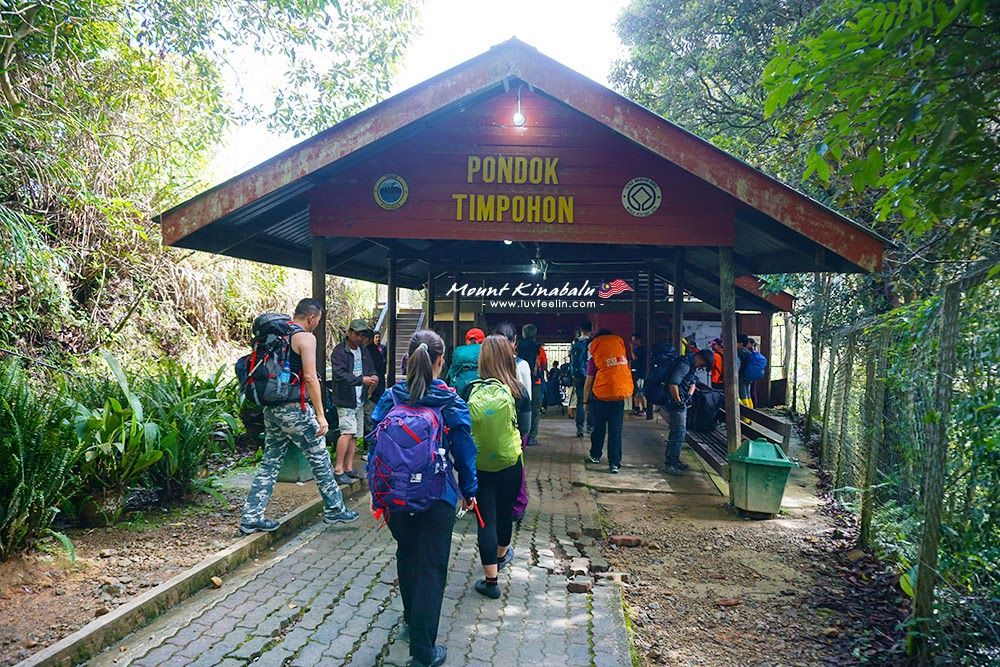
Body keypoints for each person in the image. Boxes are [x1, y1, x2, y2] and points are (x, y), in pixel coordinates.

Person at [369, 330, 478, 667]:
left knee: (408, 554)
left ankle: (410, 618)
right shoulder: (450, 401)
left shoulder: (392, 397)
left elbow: (372, 444)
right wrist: (470, 490)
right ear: (440, 361)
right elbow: (464, 450)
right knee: (432, 568)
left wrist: (378, 491)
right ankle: (424, 652)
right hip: (437, 496)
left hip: (395, 495)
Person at [240, 299, 360, 534]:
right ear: (312, 318)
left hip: (272, 410)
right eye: (318, 320)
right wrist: (321, 415)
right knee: (320, 458)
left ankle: (251, 517)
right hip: (296, 410)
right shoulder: (305, 337)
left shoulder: (275, 336)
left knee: (270, 463)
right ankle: (335, 508)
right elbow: (310, 377)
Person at [463, 334, 530, 599]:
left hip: (479, 464)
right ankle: (501, 556)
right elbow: (524, 429)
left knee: (485, 520)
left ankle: (491, 582)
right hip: (510, 463)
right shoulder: (518, 391)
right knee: (504, 514)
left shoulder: (469, 389)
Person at [330, 318, 379, 485]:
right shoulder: (339, 351)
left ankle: (349, 467)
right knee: (347, 432)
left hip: (359, 398)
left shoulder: (363, 350)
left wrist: (373, 377)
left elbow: (370, 367)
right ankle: (338, 469)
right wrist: (362, 380)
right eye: (357, 334)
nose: (359, 337)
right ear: (349, 332)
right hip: (345, 398)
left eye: (362, 334)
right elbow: (340, 375)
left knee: (354, 434)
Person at [493, 321, 532, 521]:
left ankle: (493, 504)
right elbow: (528, 399)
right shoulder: (522, 365)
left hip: (492, 423)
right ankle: (517, 506)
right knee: (517, 467)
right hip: (515, 425)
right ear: (515, 341)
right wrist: (527, 431)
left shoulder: (487, 364)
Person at [583, 328, 634, 474]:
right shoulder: (621, 357)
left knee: (599, 428)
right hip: (618, 397)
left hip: (599, 398)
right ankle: (615, 463)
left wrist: (585, 401)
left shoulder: (594, 360)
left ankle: (595, 455)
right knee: (615, 430)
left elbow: (588, 382)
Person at [659, 348, 716, 476]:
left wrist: (689, 395)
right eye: (701, 365)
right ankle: (670, 463)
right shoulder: (683, 365)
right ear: (698, 357)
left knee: (678, 432)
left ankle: (674, 459)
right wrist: (679, 401)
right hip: (675, 405)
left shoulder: (690, 364)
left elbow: (693, 382)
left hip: (681, 402)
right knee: (678, 432)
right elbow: (673, 384)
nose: (700, 368)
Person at [517, 323, 544, 446]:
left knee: (520, 407)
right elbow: (543, 365)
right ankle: (531, 437)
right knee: (535, 409)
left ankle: (520, 435)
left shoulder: (518, 346)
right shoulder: (539, 348)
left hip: (519, 381)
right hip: (535, 381)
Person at [570, 320, 594, 437]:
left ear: (581, 330)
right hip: (591, 375)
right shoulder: (592, 343)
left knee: (580, 401)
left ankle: (579, 427)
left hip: (578, 376)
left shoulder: (576, 343)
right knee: (591, 401)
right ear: (592, 329)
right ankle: (590, 426)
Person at [446, 327, 484, 395]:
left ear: (467, 341)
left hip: (459, 393)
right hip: (480, 393)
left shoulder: (458, 351)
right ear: (482, 341)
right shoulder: (485, 350)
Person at [630, 333, 648, 417]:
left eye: (635, 339)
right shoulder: (636, 349)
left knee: (640, 392)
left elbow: (635, 358)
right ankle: (636, 408)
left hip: (641, 372)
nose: (633, 341)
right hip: (635, 371)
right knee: (635, 391)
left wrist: (631, 349)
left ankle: (644, 409)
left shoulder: (642, 349)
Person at [737, 334, 754, 408]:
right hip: (749, 376)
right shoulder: (748, 352)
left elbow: (738, 365)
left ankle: (746, 419)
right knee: (748, 395)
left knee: (743, 395)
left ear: (740, 343)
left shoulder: (740, 352)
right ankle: (751, 416)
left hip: (742, 376)